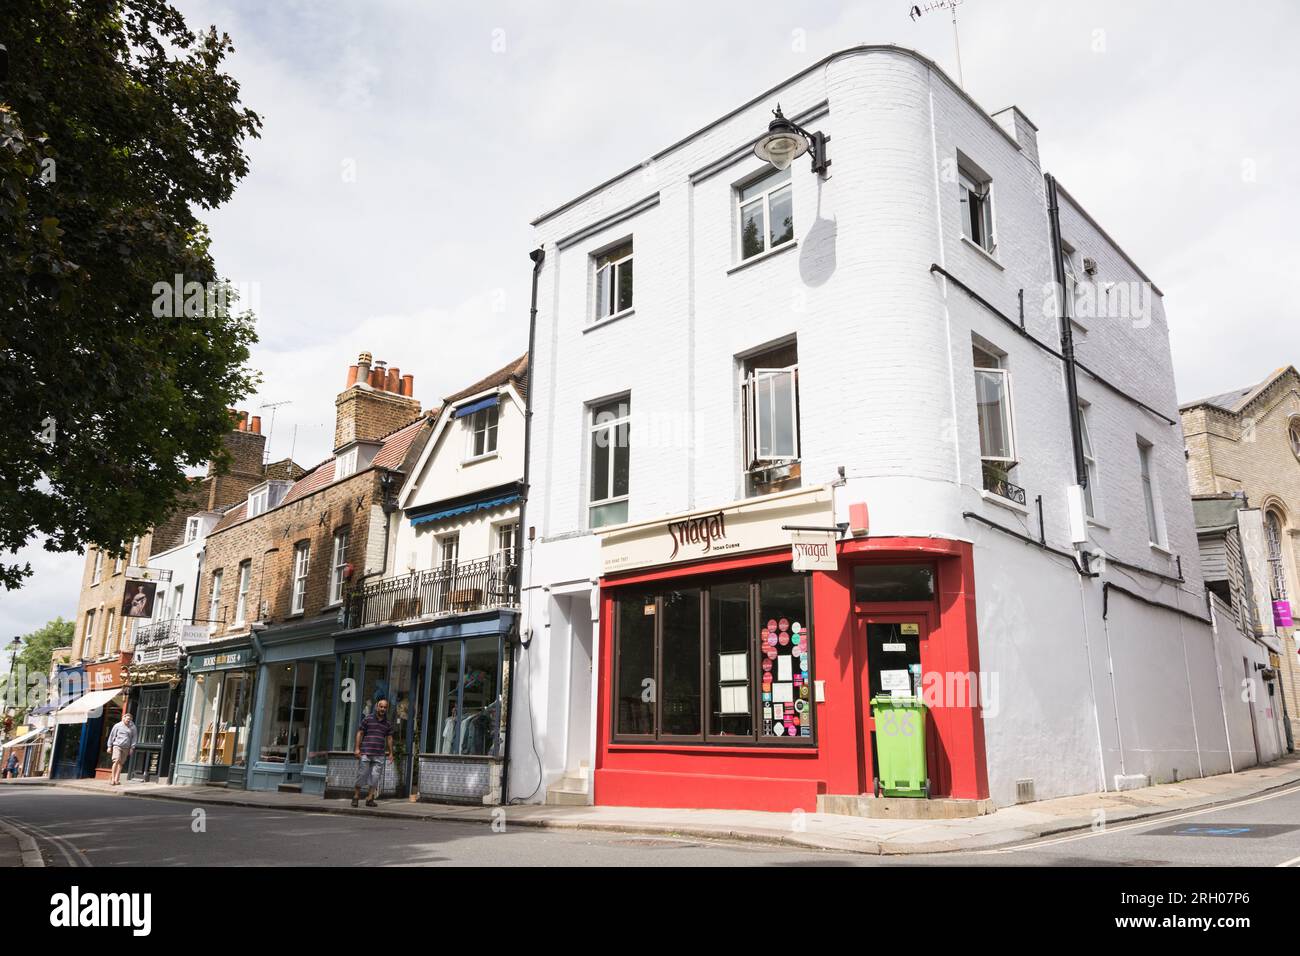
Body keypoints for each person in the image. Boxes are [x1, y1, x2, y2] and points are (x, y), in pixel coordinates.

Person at [352, 697, 393, 808]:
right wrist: (357, 748)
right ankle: (356, 797)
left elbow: (389, 738)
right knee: (361, 775)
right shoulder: (368, 719)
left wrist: (391, 753)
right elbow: (360, 733)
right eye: (381, 706)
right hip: (365, 752)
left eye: (385, 707)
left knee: (375, 778)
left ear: (387, 709)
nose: (383, 709)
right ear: (377, 707)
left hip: (379, 754)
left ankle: (369, 798)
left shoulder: (387, 724)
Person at [106, 712, 136, 786]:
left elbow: (134, 737)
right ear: (123, 718)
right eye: (127, 719)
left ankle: (117, 779)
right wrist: (109, 746)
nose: (128, 720)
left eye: (130, 719)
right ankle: (112, 779)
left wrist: (132, 747)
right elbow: (112, 735)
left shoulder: (133, 727)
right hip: (117, 746)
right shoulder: (117, 726)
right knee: (116, 761)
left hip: (126, 747)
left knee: (121, 763)